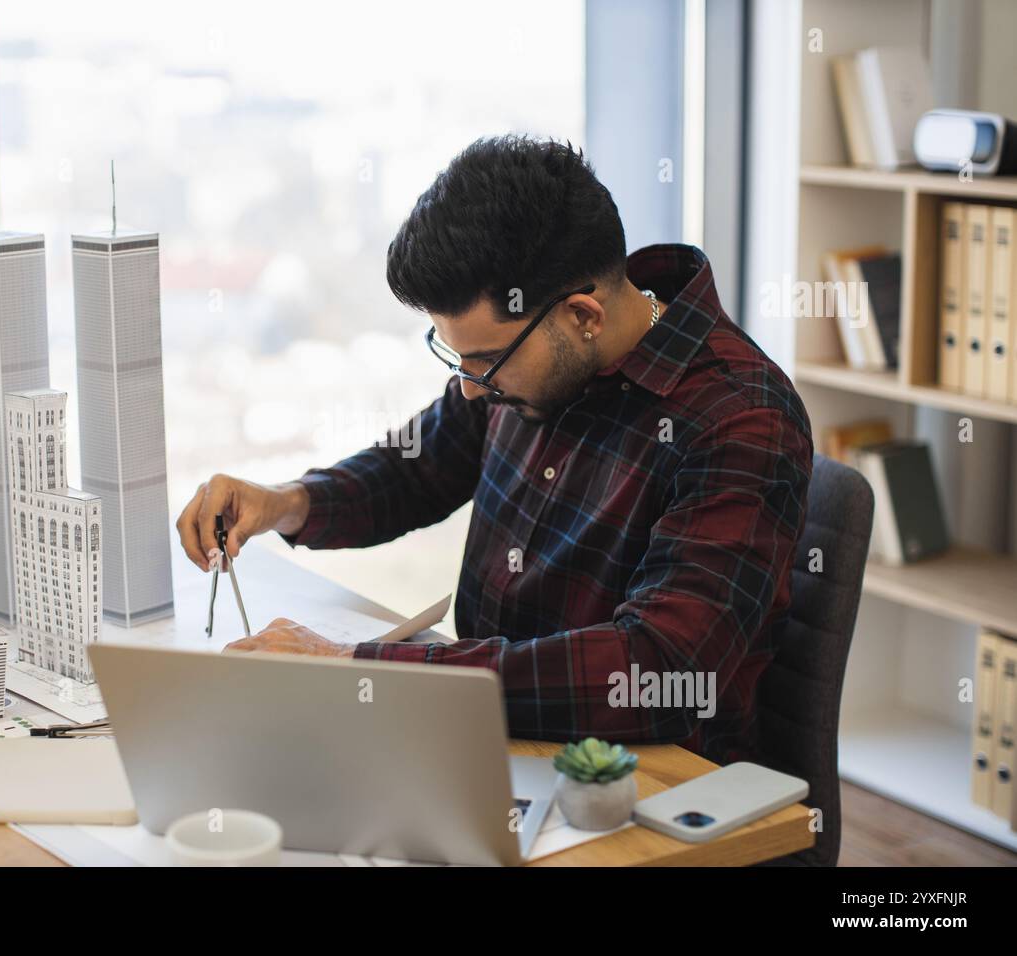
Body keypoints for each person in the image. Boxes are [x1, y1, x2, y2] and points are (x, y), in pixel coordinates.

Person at [175, 135, 812, 764]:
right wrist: (284, 503)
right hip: (482, 736)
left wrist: (358, 668)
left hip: (638, 782)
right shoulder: (527, 358)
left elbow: (656, 668)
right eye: (456, 357)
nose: (471, 392)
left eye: (484, 362)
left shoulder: (741, 418)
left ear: (583, 317)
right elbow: (417, 468)